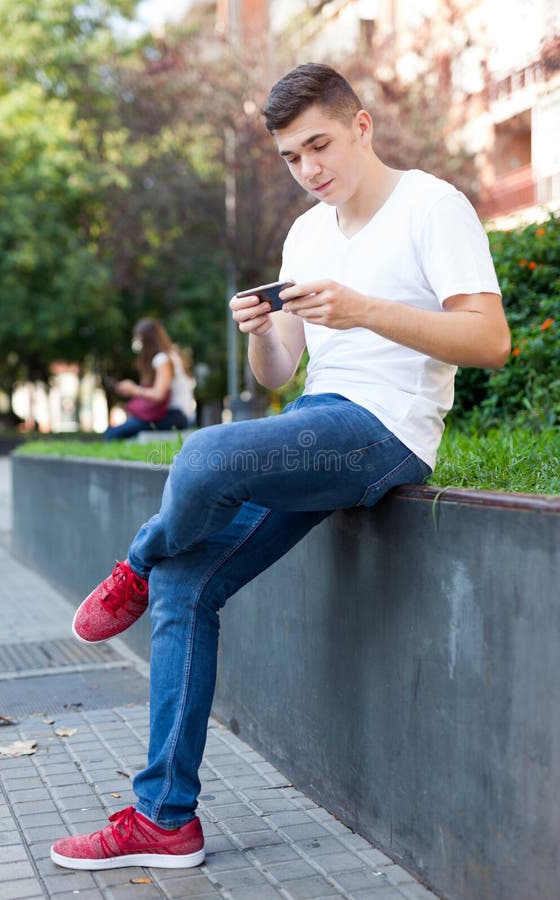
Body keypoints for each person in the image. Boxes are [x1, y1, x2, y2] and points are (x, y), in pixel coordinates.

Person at [50, 63, 510, 870]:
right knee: (189, 590)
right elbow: (277, 376)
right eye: (293, 158)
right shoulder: (306, 234)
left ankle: (136, 561)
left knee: (203, 454)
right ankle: (165, 818)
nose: (309, 170)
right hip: (315, 425)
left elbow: (490, 342)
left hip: (386, 432)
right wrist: (260, 331)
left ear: (362, 126)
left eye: (320, 146)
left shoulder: (433, 206)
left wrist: (367, 310)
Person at [103, 317, 195, 440]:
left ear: (147, 341)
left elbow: (158, 394)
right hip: (177, 416)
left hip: (173, 416)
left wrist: (134, 389)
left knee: (111, 434)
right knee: (119, 430)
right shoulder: (171, 356)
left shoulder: (162, 359)